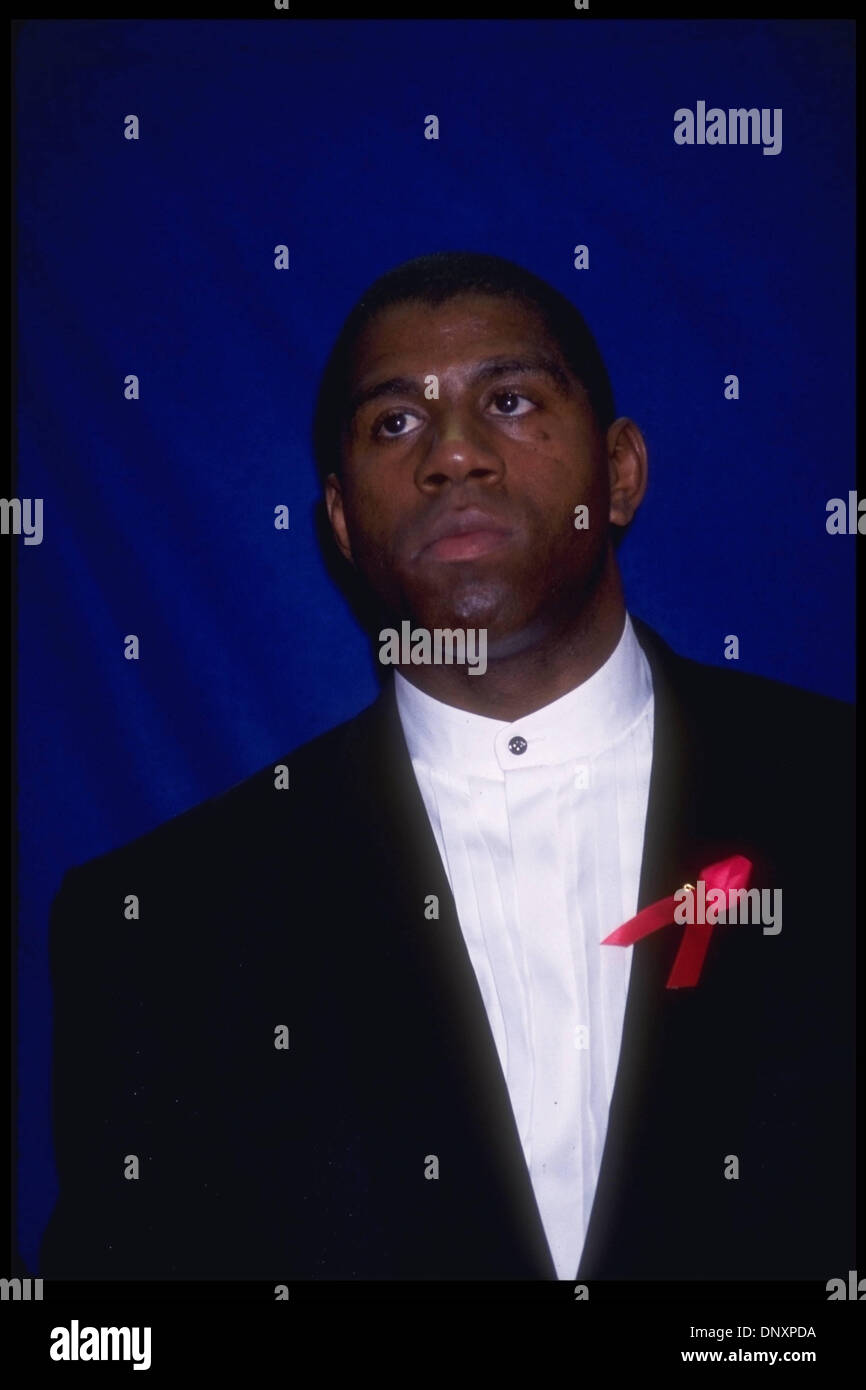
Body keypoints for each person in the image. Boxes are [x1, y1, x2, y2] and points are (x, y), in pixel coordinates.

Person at [40, 252, 854, 1282]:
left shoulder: (834, 803)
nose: (452, 455)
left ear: (619, 473)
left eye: (508, 400)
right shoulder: (159, 924)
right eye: (394, 423)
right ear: (338, 520)